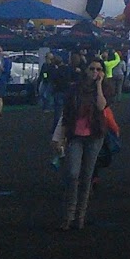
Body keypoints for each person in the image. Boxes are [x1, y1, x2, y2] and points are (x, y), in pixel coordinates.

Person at [53, 59, 109, 230]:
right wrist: (59, 136)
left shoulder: (105, 88)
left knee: (87, 176)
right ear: (85, 70)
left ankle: (80, 217)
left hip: (94, 136)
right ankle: (69, 214)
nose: (95, 72)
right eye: (92, 68)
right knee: (73, 174)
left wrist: (99, 85)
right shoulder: (74, 89)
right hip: (75, 135)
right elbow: (66, 113)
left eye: (98, 69)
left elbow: (101, 106)